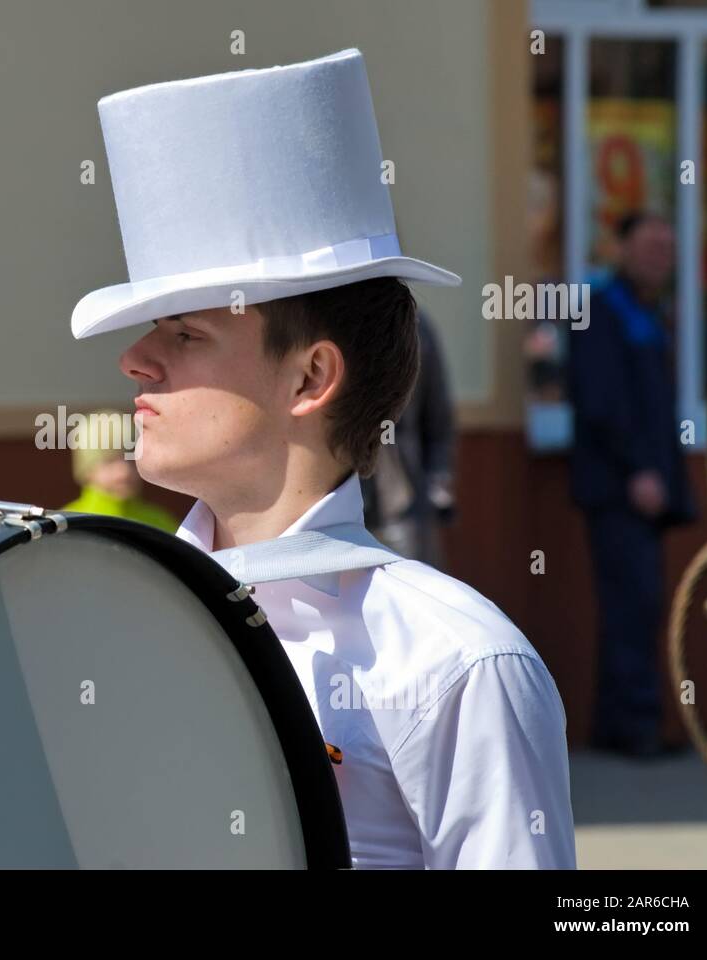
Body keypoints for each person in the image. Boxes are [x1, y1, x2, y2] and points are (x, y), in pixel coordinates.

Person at [70, 50, 575, 867]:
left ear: (311, 376)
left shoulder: (457, 663)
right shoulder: (106, 617)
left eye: (185, 333)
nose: (135, 360)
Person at [567, 211, 696, 760]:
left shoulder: (647, 312)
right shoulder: (601, 310)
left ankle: (624, 721)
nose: (659, 257)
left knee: (640, 606)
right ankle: (630, 727)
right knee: (631, 604)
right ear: (621, 249)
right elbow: (603, 402)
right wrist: (638, 470)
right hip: (620, 490)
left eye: (667, 249)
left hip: (644, 489)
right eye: (649, 246)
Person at [360, 310, 457, 568]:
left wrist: (438, 483)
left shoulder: (417, 327)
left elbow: (438, 419)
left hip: (403, 501)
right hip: (343, 508)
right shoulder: (327, 320)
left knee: (417, 593)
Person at [60, 409, 179, 532]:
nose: (124, 472)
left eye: (131, 459)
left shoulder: (160, 523)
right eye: (109, 462)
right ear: (87, 469)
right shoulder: (69, 524)